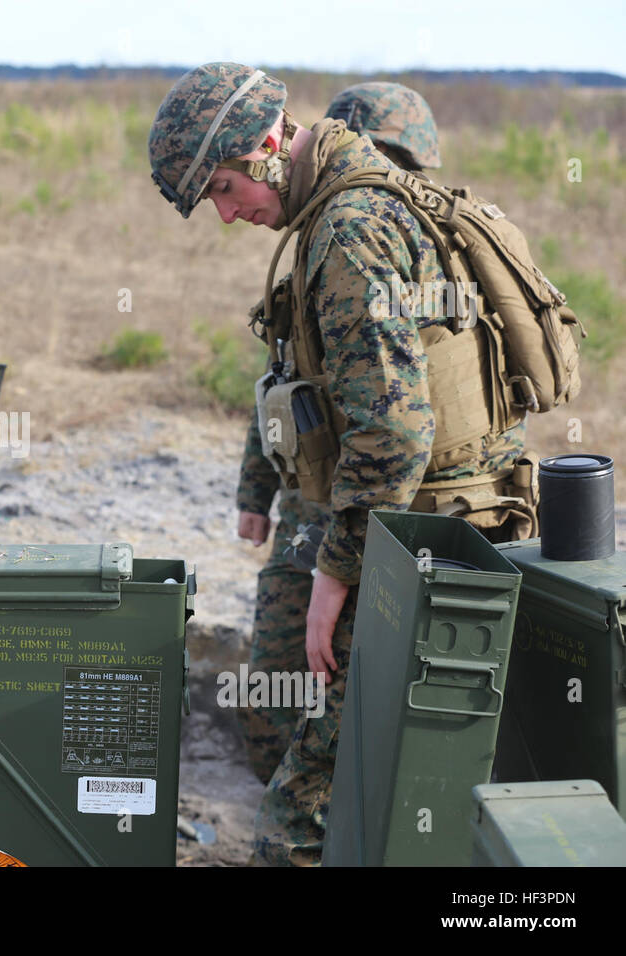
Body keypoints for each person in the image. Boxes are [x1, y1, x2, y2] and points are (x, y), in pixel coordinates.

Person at [148, 63, 533, 866]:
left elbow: (393, 432)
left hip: (418, 540)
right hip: (424, 529)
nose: (226, 215)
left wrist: (332, 574)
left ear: (264, 148)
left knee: (299, 816)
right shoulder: (343, 209)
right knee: (351, 782)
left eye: (223, 189)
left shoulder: (350, 230)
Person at [235, 82, 444, 786]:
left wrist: (341, 564)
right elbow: (283, 387)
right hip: (316, 512)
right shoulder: (327, 236)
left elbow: (401, 423)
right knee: (275, 695)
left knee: (350, 737)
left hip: (384, 517)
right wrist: (256, 489)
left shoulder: (372, 235)